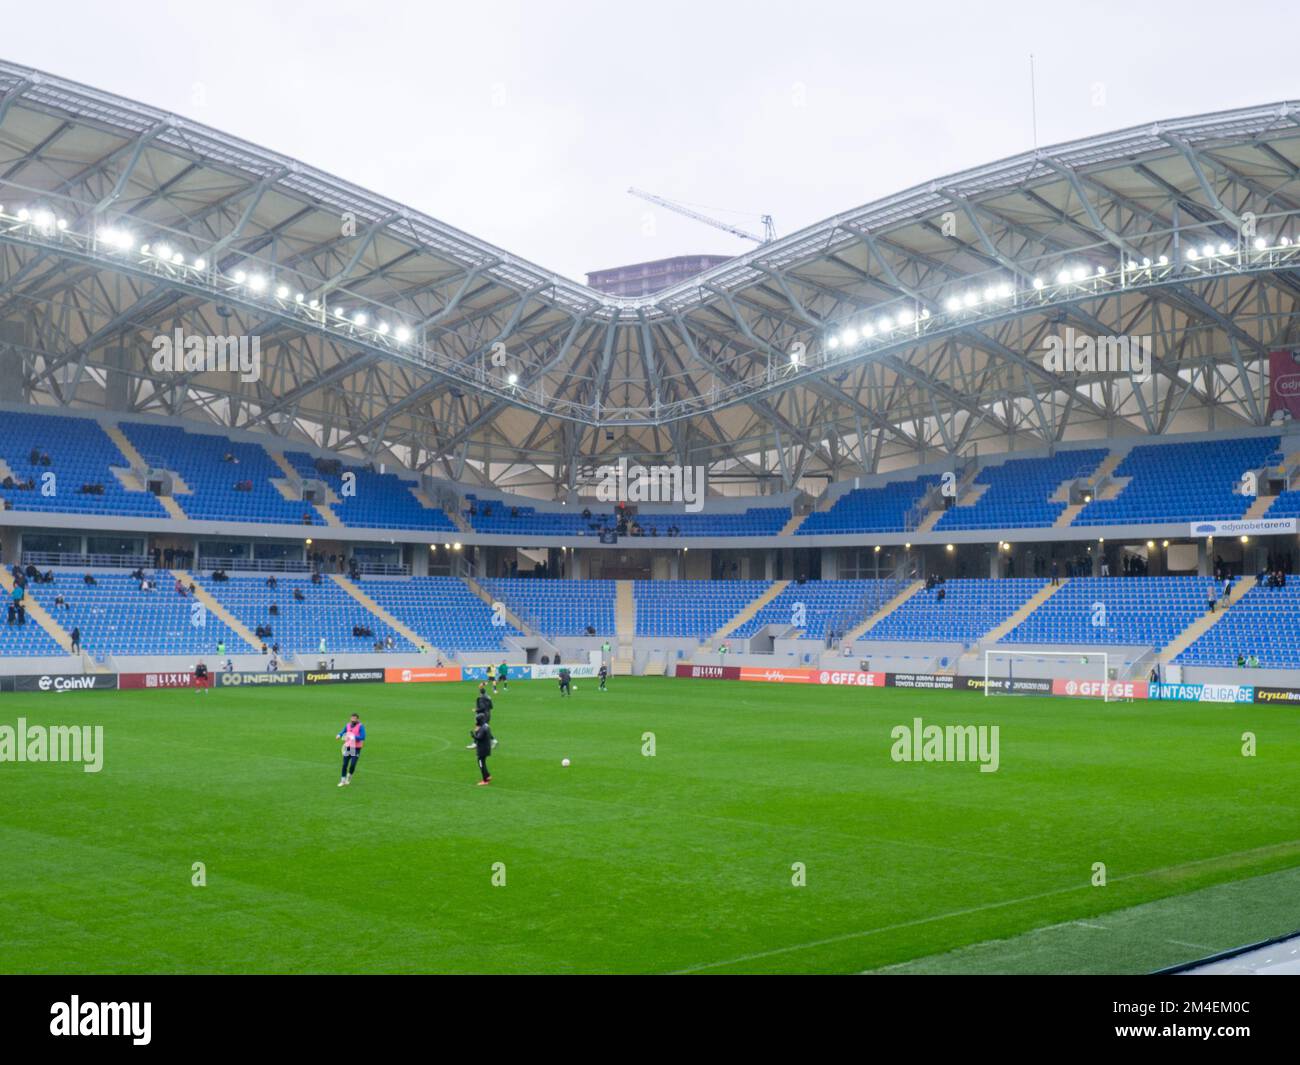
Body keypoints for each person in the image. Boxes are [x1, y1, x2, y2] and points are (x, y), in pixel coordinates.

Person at [336, 713, 365, 787]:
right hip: (348, 747)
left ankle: (349, 776)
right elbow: (343, 732)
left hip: (356, 748)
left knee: (352, 764)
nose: (353, 720)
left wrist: (354, 737)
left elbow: (362, 737)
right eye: (352, 718)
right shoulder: (348, 725)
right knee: (345, 764)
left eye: (354, 718)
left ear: (357, 719)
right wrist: (339, 735)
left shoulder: (361, 726)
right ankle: (342, 781)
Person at [471, 712, 493, 786]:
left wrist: (473, 735)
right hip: (486, 748)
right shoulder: (486, 726)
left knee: (481, 765)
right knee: (483, 763)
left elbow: (479, 738)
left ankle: (485, 780)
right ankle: (488, 776)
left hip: (482, 749)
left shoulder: (483, 728)